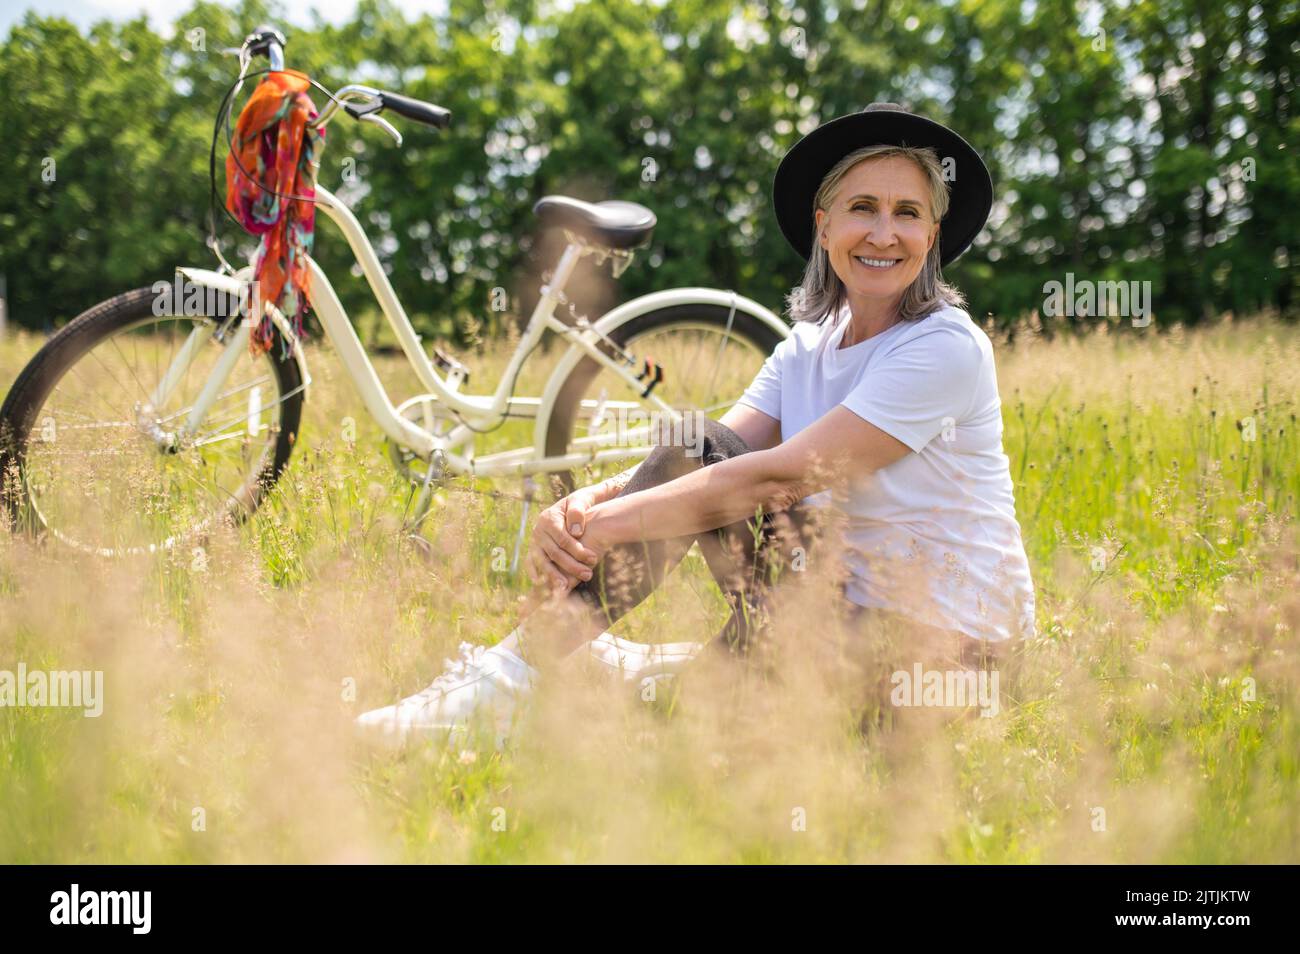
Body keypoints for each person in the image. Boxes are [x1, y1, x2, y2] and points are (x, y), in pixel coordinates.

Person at [355, 102, 1036, 744]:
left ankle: (511, 680)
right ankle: (570, 668)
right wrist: (587, 500)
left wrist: (604, 527)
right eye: (863, 207)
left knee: (699, 691)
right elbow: (712, 449)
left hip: (943, 659)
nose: (885, 233)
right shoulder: (810, 343)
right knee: (691, 453)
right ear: (824, 225)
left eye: (907, 213)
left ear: (933, 235)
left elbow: (778, 477)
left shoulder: (944, 346)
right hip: (834, 614)